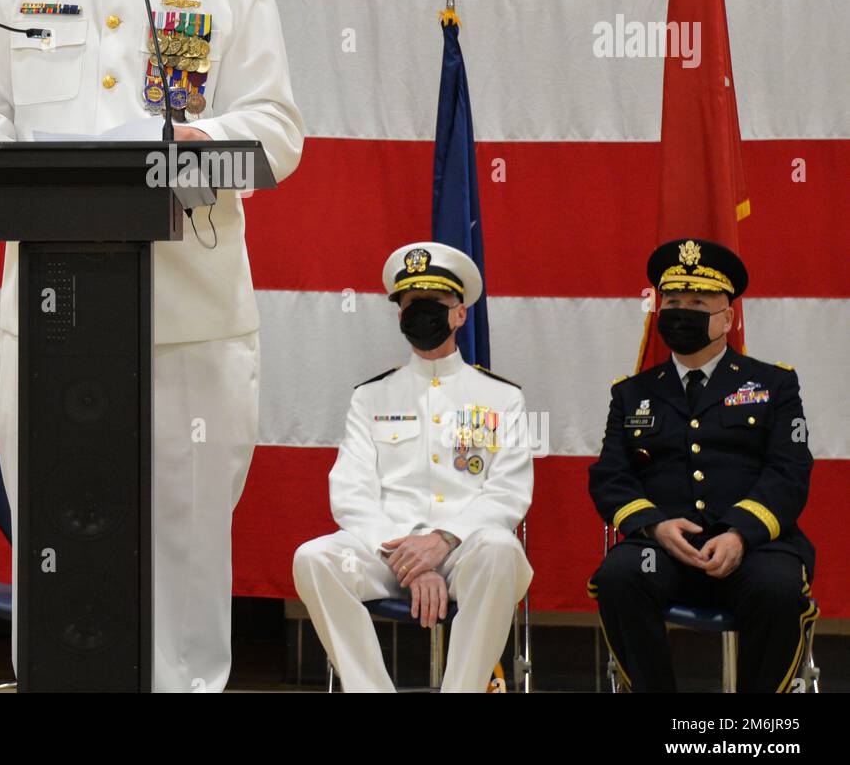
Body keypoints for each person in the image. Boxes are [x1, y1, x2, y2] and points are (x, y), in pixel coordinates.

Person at [0, 0, 304, 691]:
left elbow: (276, 133)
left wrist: (174, 149)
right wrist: (46, 191)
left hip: (190, 325)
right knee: (62, 533)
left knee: (184, 543)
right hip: (54, 326)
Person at [293, 242, 533, 692]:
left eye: (433, 305)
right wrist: (410, 559)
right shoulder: (371, 397)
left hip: (467, 551)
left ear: (459, 314)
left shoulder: (502, 398)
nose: (420, 314)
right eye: (409, 306)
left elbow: (508, 493)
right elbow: (351, 491)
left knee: (502, 549)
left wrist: (441, 542)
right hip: (388, 553)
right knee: (314, 559)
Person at [588, 238, 816, 692]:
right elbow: (611, 475)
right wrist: (654, 526)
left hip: (752, 550)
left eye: (697, 302)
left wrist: (738, 532)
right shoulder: (631, 393)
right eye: (672, 301)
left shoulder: (773, 384)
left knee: (778, 588)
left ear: (727, 318)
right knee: (622, 575)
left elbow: (790, 469)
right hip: (663, 553)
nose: (681, 312)